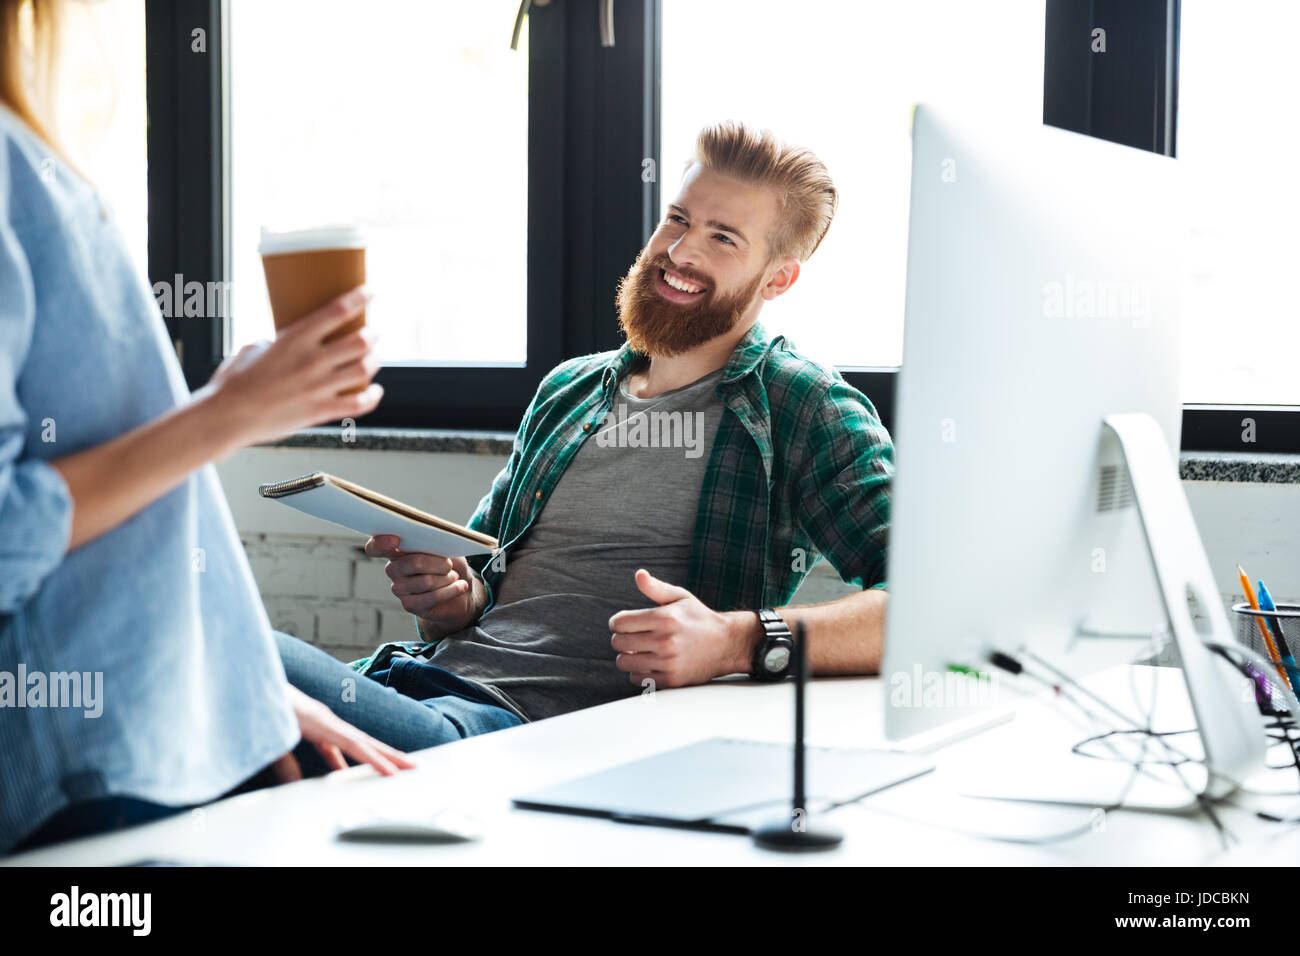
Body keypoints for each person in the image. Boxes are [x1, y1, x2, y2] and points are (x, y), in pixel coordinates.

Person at [277, 119, 894, 736]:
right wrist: (452, 598)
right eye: (677, 220)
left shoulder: (802, 406)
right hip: (414, 681)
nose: (679, 253)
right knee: (216, 668)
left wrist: (736, 640)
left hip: (503, 730)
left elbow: (928, 609)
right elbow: (480, 590)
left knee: (231, 658)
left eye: (723, 238)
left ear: (777, 278)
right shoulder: (569, 390)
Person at [0, 0, 416, 855]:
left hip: (152, 735)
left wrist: (240, 695)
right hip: (89, 768)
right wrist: (231, 414)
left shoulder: (25, 149)